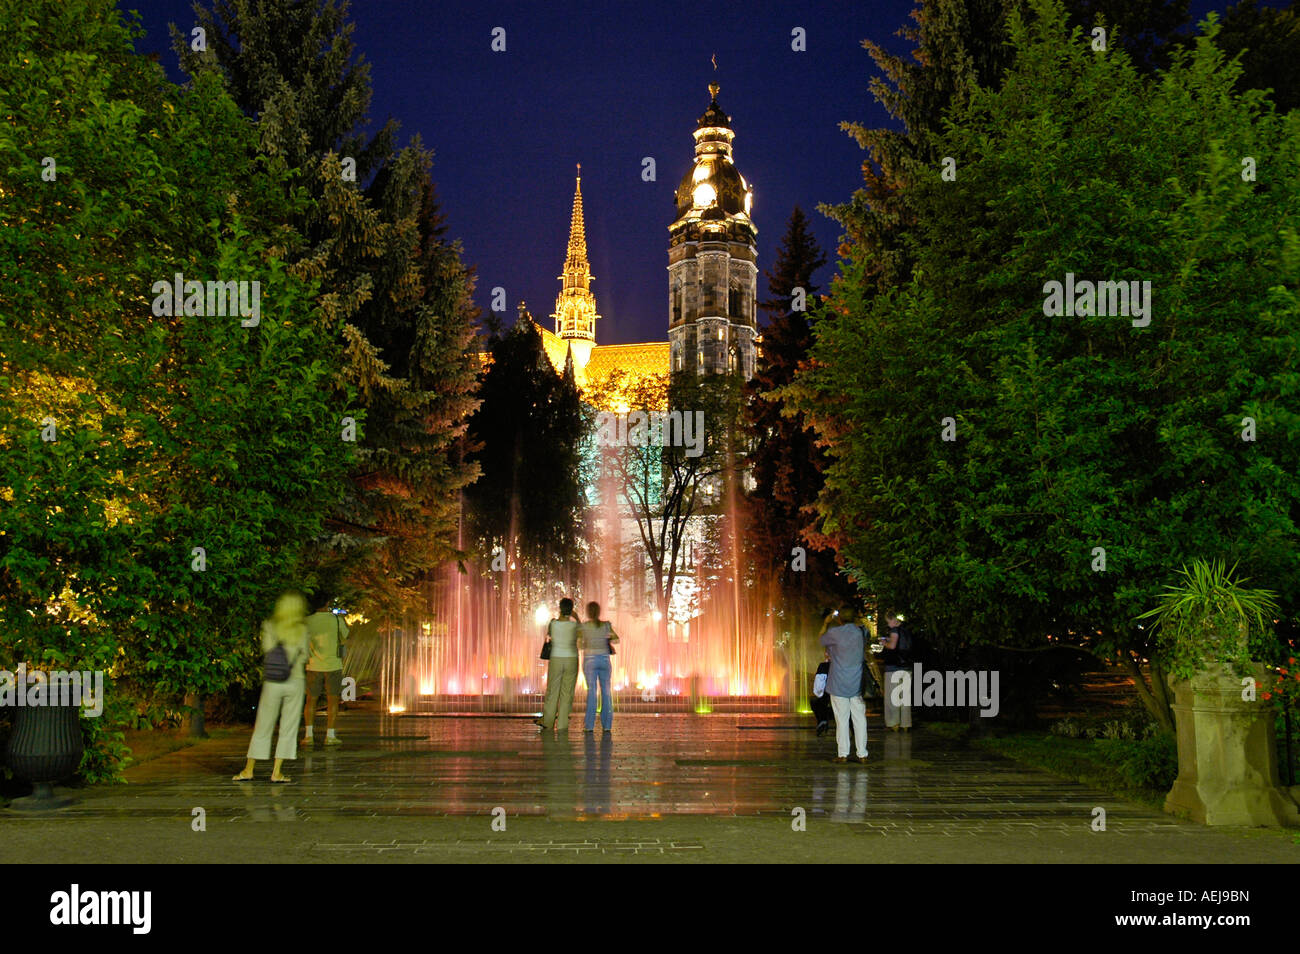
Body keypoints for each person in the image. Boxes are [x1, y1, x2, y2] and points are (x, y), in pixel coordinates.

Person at [234, 592, 310, 783]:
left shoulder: (270, 626)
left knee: (263, 725)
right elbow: (306, 656)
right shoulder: (302, 630)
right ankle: (277, 772)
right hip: (295, 681)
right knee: (289, 728)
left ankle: (248, 769)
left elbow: (267, 650)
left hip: (273, 682)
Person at [818, 606, 869, 763]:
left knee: (842, 719)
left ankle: (843, 754)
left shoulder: (835, 633)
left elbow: (821, 639)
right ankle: (862, 754)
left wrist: (826, 623)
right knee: (860, 719)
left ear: (839, 619)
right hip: (857, 682)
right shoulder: (861, 632)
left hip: (839, 682)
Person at [302, 597, 348, 747]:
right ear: (327, 603)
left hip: (313, 665)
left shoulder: (307, 621)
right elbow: (346, 635)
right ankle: (330, 736)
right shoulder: (336, 620)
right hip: (333, 665)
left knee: (311, 700)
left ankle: (308, 736)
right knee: (333, 700)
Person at [536, 597, 580, 732]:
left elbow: (549, 635)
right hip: (571, 659)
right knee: (567, 692)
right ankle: (562, 724)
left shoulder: (553, 624)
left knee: (552, 690)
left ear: (560, 608)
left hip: (556, 658)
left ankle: (548, 721)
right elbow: (582, 632)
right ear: (571, 610)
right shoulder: (574, 625)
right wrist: (576, 617)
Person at [578, 601, 620, 734]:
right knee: (606, 692)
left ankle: (589, 725)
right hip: (604, 660)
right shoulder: (606, 625)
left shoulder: (584, 627)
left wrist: (588, 643)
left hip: (590, 660)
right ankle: (607, 725)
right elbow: (617, 639)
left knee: (592, 692)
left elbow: (580, 645)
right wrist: (606, 639)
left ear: (588, 612)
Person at [881, 610, 914, 731]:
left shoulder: (894, 630)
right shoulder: (907, 630)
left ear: (893, 620)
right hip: (907, 667)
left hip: (893, 668)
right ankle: (906, 724)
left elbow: (892, 645)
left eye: (888, 622)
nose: (888, 625)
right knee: (905, 697)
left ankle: (893, 723)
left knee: (892, 697)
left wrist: (885, 643)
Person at [810, 651, 832, 737]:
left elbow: (818, 688)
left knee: (815, 702)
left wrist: (819, 693)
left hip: (829, 697)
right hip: (847, 695)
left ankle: (822, 721)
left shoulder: (824, 666)